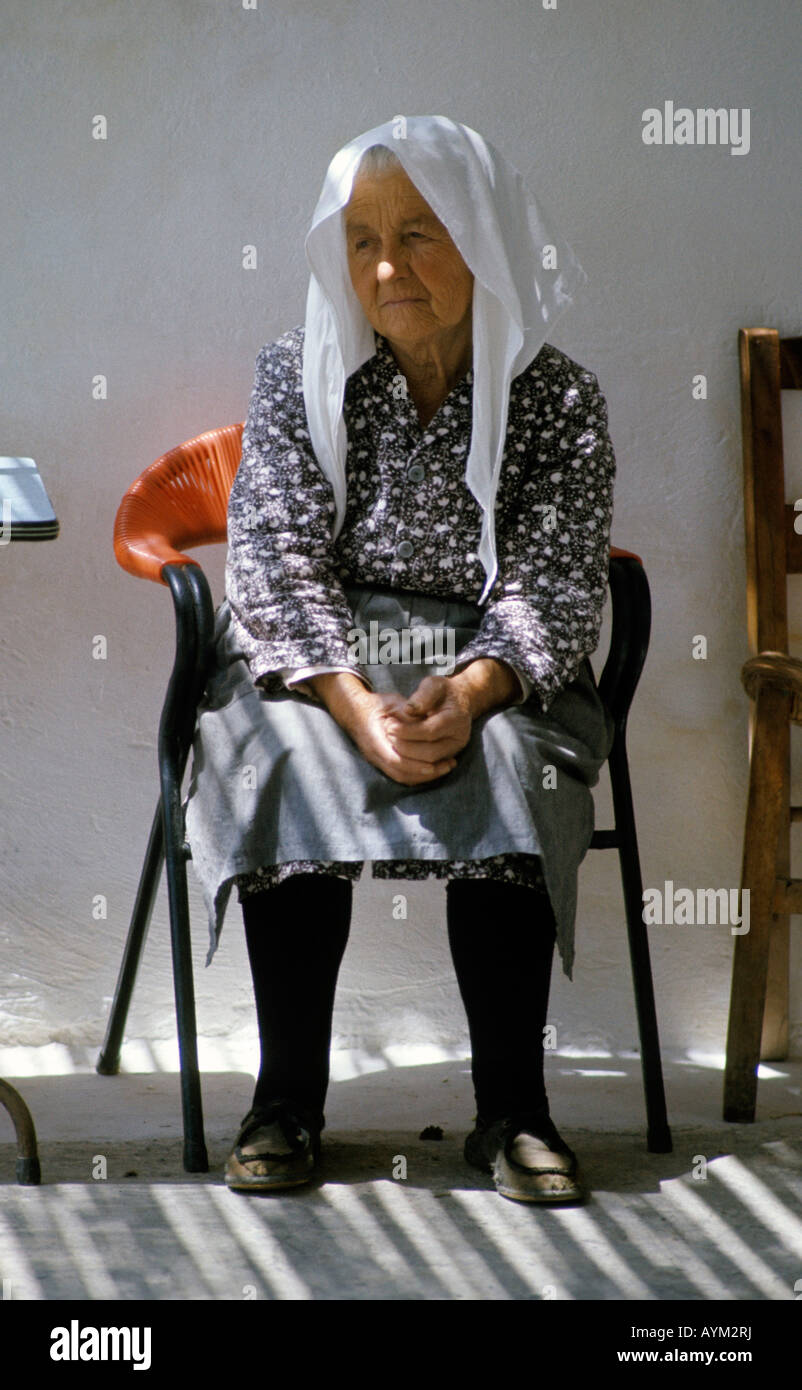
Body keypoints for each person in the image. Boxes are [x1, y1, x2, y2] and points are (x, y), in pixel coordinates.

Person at [182, 115, 617, 1204]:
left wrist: (469, 694)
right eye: (364, 238)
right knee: (279, 756)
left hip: (486, 658)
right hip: (325, 654)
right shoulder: (299, 374)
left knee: (513, 765)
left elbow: (556, 579)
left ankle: (513, 1108)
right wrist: (348, 699)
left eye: (419, 233)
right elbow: (276, 554)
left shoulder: (557, 399)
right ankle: (285, 1100)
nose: (385, 266)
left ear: (482, 238)